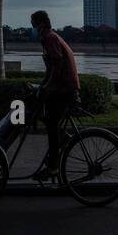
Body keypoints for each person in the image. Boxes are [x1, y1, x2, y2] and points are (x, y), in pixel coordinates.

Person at [31, 10, 79, 180]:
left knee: (51, 124)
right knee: (41, 114)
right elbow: (50, 69)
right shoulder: (48, 38)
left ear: (42, 24)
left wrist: (48, 86)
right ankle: (63, 138)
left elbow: (57, 65)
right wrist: (41, 85)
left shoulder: (50, 38)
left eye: (34, 23)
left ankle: (53, 167)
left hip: (65, 89)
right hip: (61, 88)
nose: (33, 27)